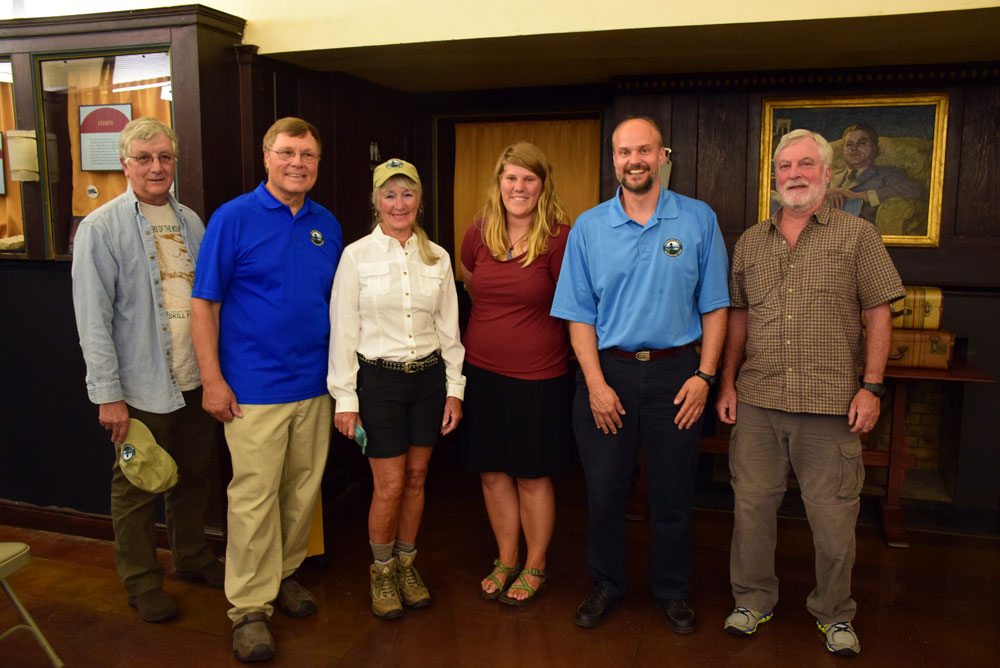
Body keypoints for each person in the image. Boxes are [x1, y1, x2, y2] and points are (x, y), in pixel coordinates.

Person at [717, 129, 904, 657]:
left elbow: (878, 312)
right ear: (774, 177)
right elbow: (739, 317)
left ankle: (834, 613)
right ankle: (752, 600)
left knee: (833, 518)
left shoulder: (857, 235)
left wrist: (872, 387)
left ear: (825, 173)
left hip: (830, 404)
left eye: (805, 165)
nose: (794, 174)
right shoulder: (751, 241)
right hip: (758, 400)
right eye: (785, 166)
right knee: (752, 509)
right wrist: (727, 381)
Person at [550, 117, 729, 632]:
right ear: (615, 160)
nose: (635, 161)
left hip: (679, 375)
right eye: (625, 152)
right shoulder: (589, 228)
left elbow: (716, 305)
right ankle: (606, 584)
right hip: (609, 375)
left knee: (673, 493)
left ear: (662, 156)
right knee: (606, 492)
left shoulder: (698, 219)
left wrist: (705, 376)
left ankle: (672, 590)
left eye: (644, 150)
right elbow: (578, 315)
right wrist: (596, 385)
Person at [191, 117, 342, 662]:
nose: (297, 163)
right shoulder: (233, 218)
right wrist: (212, 380)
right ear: (267, 157)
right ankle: (250, 608)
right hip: (253, 389)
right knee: (254, 497)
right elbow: (204, 305)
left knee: (302, 491)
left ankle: (282, 575)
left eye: (307, 155)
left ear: (317, 162)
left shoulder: (327, 224)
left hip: (315, 385)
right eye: (287, 153)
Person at [71, 117, 224, 623]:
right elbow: (93, 319)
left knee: (193, 479)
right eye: (144, 158)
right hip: (140, 387)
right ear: (125, 164)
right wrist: (108, 395)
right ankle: (141, 581)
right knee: (137, 486)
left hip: (194, 379)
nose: (156, 167)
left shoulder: (192, 221)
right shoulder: (101, 228)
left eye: (164, 157)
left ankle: (192, 557)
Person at [328, 158, 465, 621]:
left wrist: (455, 390)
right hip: (379, 383)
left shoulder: (438, 257)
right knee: (388, 485)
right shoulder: (356, 256)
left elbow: (449, 331)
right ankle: (382, 570)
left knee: (417, 478)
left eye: (407, 194)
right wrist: (345, 399)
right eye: (390, 194)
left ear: (419, 201)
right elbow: (343, 331)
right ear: (376, 201)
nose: (399, 203)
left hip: (428, 381)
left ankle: (407, 565)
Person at [458, 142, 574, 606]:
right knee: (492, 472)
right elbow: (471, 282)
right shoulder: (479, 230)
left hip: (538, 377)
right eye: (511, 177)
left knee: (531, 473)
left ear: (542, 185)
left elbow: (573, 305)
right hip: (481, 373)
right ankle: (506, 558)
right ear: (499, 182)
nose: (519, 187)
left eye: (529, 178)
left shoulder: (560, 238)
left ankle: (535, 564)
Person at [826, 123, 923, 224]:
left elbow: (915, 190)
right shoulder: (829, 176)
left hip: (858, 229)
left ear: (874, 148)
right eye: (849, 144)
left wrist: (861, 196)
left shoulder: (887, 173)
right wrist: (829, 192)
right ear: (843, 150)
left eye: (861, 143)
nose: (854, 148)